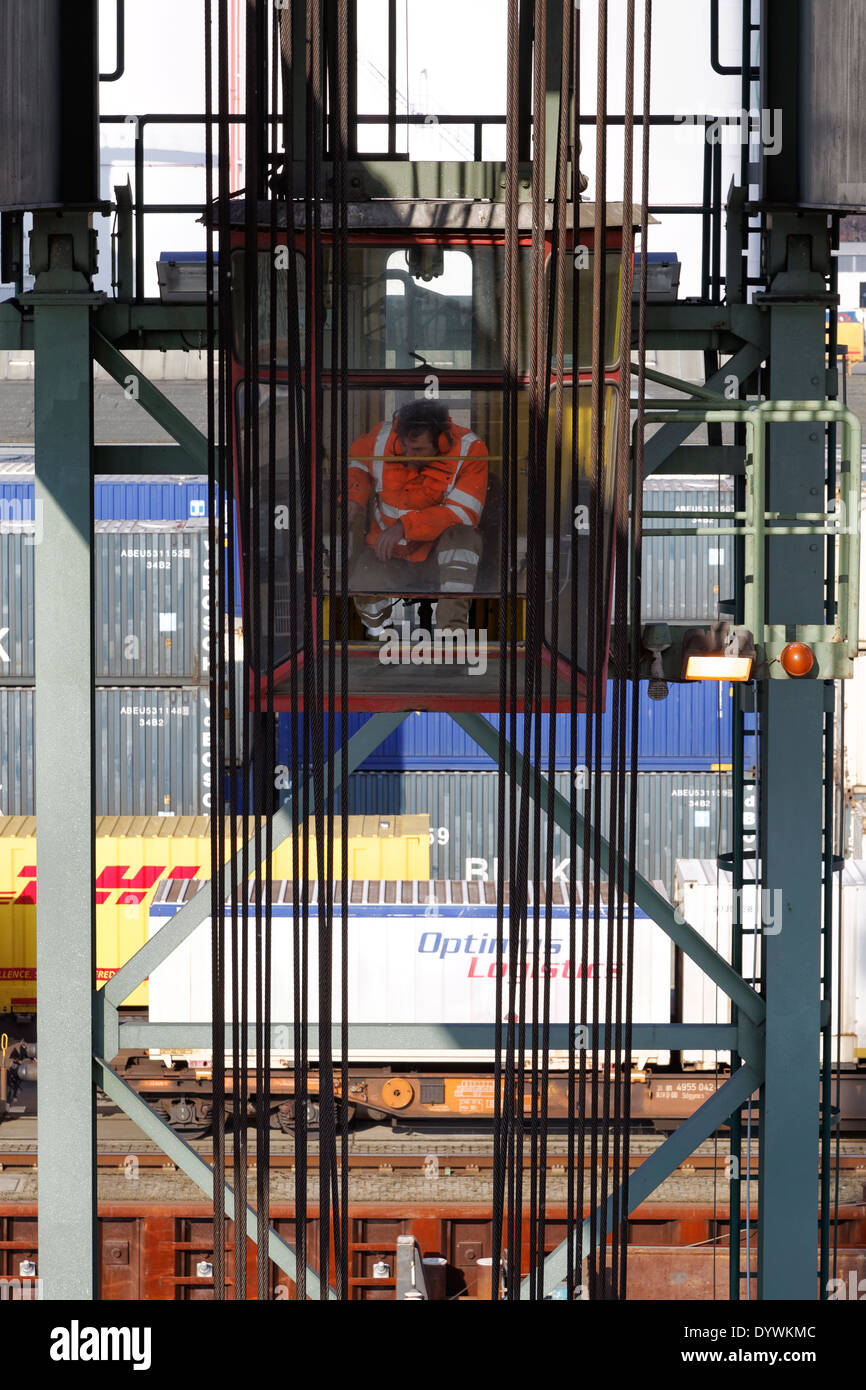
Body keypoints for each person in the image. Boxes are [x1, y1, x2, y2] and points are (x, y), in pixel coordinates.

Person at [346, 399, 488, 634]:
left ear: (442, 442)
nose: (408, 455)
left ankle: (451, 635)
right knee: (361, 586)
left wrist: (404, 527)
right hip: (387, 554)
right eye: (405, 447)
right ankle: (380, 634)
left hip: (438, 556)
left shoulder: (470, 450)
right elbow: (357, 460)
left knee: (463, 538)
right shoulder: (381, 439)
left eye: (419, 450)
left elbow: (463, 514)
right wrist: (355, 495)